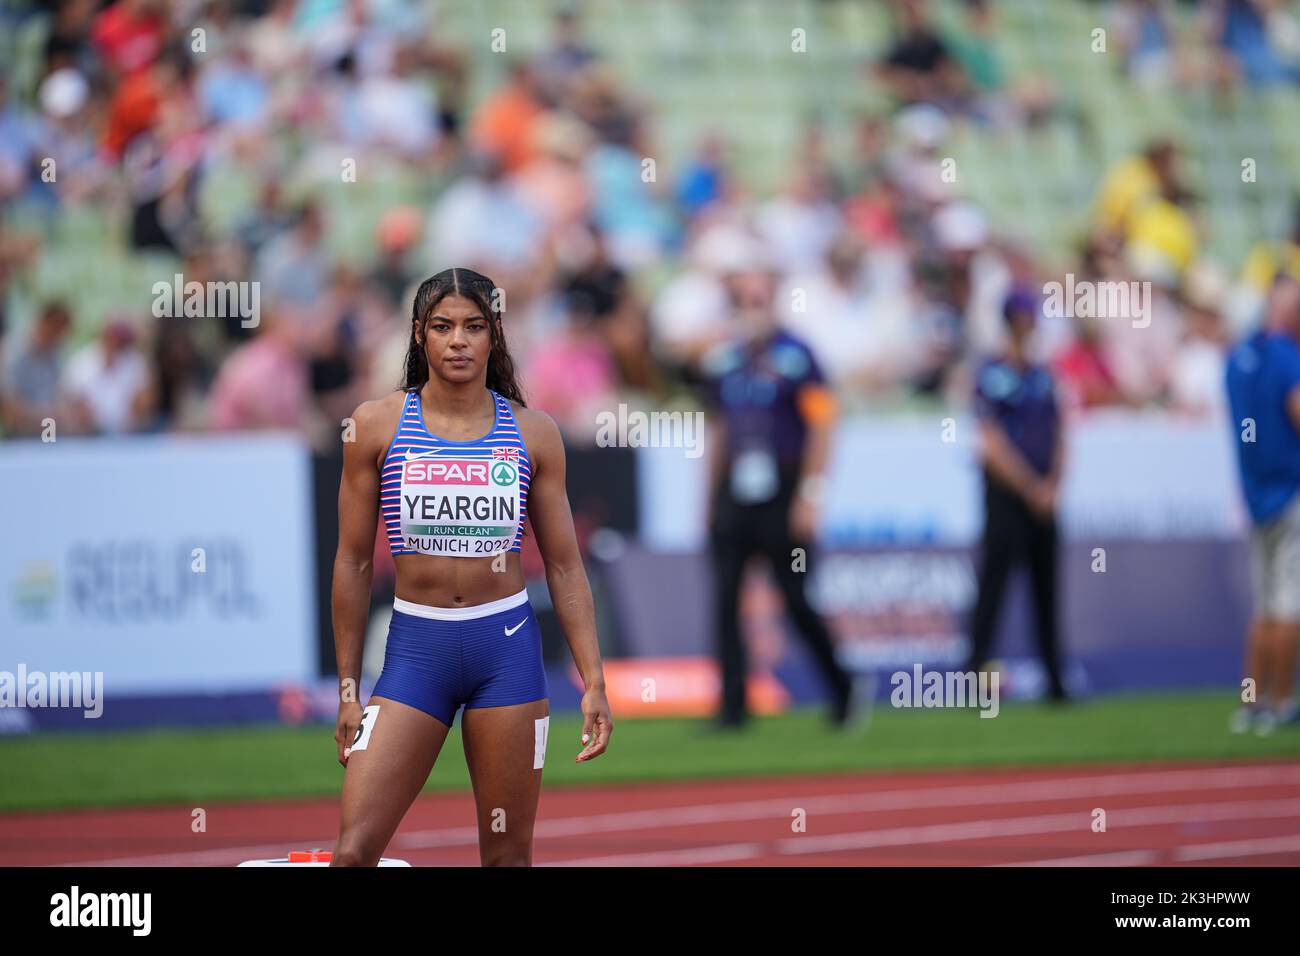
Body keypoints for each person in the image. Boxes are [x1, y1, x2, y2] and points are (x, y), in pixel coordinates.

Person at [331, 267, 611, 867]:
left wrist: (594, 681)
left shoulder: (534, 433)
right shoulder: (374, 426)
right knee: (353, 853)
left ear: (494, 337)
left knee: (507, 857)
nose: (458, 340)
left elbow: (564, 567)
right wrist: (349, 688)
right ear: (418, 337)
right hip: (415, 652)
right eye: (442, 326)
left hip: (505, 649)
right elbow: (353, 563)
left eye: (473, 327)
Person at [700, 243, 857, 729]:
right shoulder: (725, 360)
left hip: (784, 486)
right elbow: (718, 430)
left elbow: (824, 424)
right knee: (726, 596)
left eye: (758, 299)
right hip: (736, 487)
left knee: (794, 596)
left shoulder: (798, 355)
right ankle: (732, 709)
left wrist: (811, 496)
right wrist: (708, 496)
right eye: (743, 301)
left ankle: (843, 689)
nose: (751, 310)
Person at [965, 290, 1069, 701]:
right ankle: (974, 677)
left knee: (1047, 590)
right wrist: (1030, 487)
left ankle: (1055, 679)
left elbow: (1060, 432)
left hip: (1043, 495)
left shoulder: (1043, 376)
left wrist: (1052, 484)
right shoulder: (992, 374)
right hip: (1007, 497)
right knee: (994, 586)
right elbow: (991, 444)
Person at [1225, 272, 1300, 736]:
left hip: (1255, 493)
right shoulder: (1286, 356)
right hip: (1290, 489)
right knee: (1288, 601)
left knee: (1264, 602)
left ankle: (1252, 701)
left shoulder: (1238, 359)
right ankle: (1281, 698)